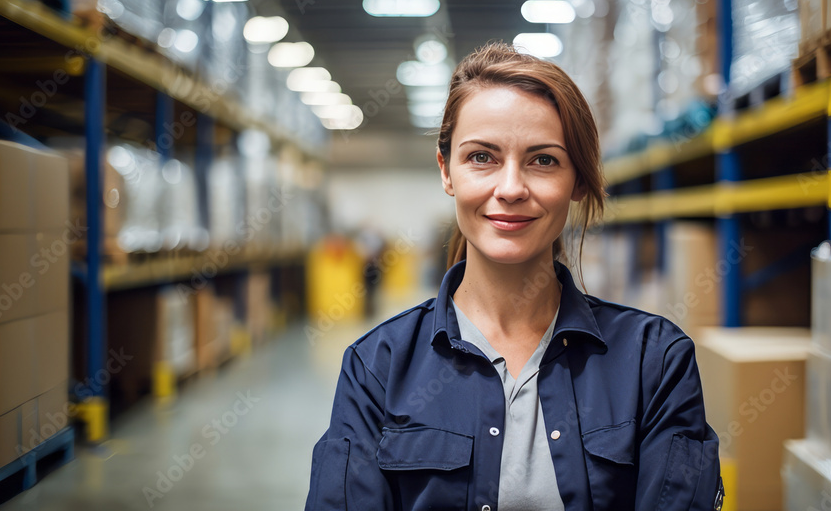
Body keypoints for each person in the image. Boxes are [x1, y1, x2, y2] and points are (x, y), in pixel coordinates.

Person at [305, 42, 723, 511]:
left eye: (543, 160)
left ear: (579, 180)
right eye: (481, 157)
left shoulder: (655, 363)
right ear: (446, 171)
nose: (510, 189)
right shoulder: (377, 368)